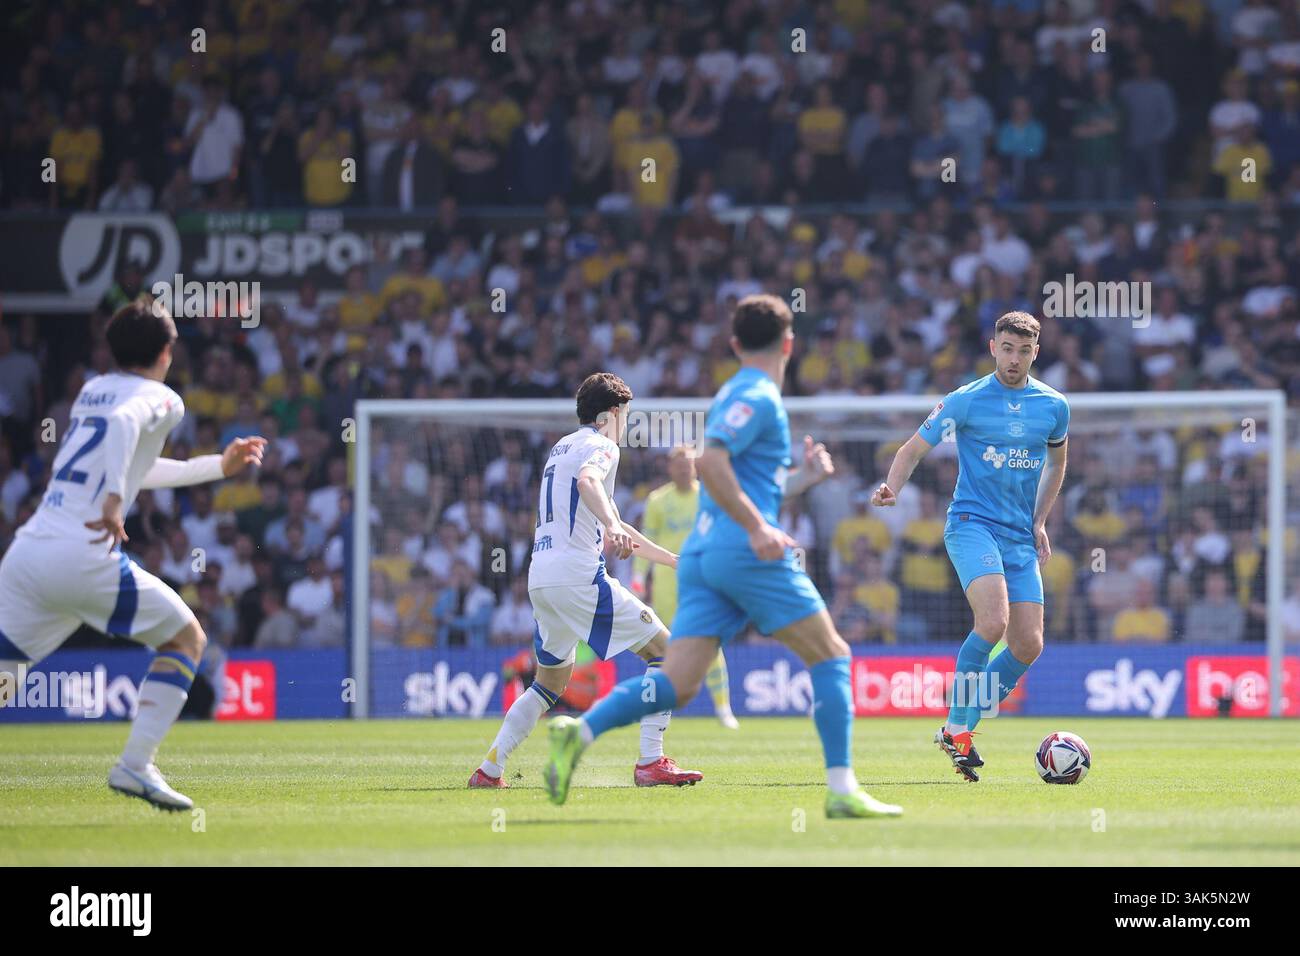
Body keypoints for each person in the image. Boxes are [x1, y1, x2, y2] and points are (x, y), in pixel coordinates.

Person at [543, 296, 903, 820]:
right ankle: (842, 789)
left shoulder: (733, 392)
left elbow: (744, 479)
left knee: (676, 682)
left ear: (735, 345)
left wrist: (807, 478)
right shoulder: (760, 395)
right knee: (832, 655)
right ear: (789, 344)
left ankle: (579, 732)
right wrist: (759, 528)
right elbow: (712, 462)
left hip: (704, 556)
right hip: (742, 550)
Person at [0, 299, 266, 810]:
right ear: (167, 352)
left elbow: (137, 466)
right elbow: (124, 431)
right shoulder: (164, 400)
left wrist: (216, 466)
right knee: (187, 640)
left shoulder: (91, 391)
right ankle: (135, 765)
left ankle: (136, 767)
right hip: (83, 553)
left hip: (31, 551)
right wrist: (115, 502)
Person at [469, 373, 702, 790]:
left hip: (541, 576)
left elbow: (606, 512)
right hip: (579, 574)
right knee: (667, 654)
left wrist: (668, 559)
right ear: (612, 413)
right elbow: (589, 483)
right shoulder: (603, 445)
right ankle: (651, 761)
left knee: (549, 682)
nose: (626, 425)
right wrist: (612, 527)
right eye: (625, 416)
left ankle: (490, 768)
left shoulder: (561, 447)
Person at [872, 312, 1069, 781]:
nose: (1014, 358)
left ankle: (956, 728)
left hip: (1019, 535)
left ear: (1035, 353)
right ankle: (959, 729)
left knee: (1027, 643)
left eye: (1024, 350)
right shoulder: (966, 400)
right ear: (992, 347)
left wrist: (1040, 519)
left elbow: (1058, 465)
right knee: (993, 621)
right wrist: (892, 487)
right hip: (971, 524)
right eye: (1006, 348)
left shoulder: (1054, 406)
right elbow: (911, 450)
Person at [634, 444, 739, 728]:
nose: (684, 468)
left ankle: (723, 708)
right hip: (667, 587)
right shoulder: (657, 500)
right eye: (679, 463)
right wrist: (638, 576)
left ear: (695, 466)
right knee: (665, 647)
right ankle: (664, 707)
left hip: (703, 582)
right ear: (669, 467)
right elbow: (645, 539)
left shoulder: (709, 496)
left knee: (711, 643)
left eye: (688, 463)